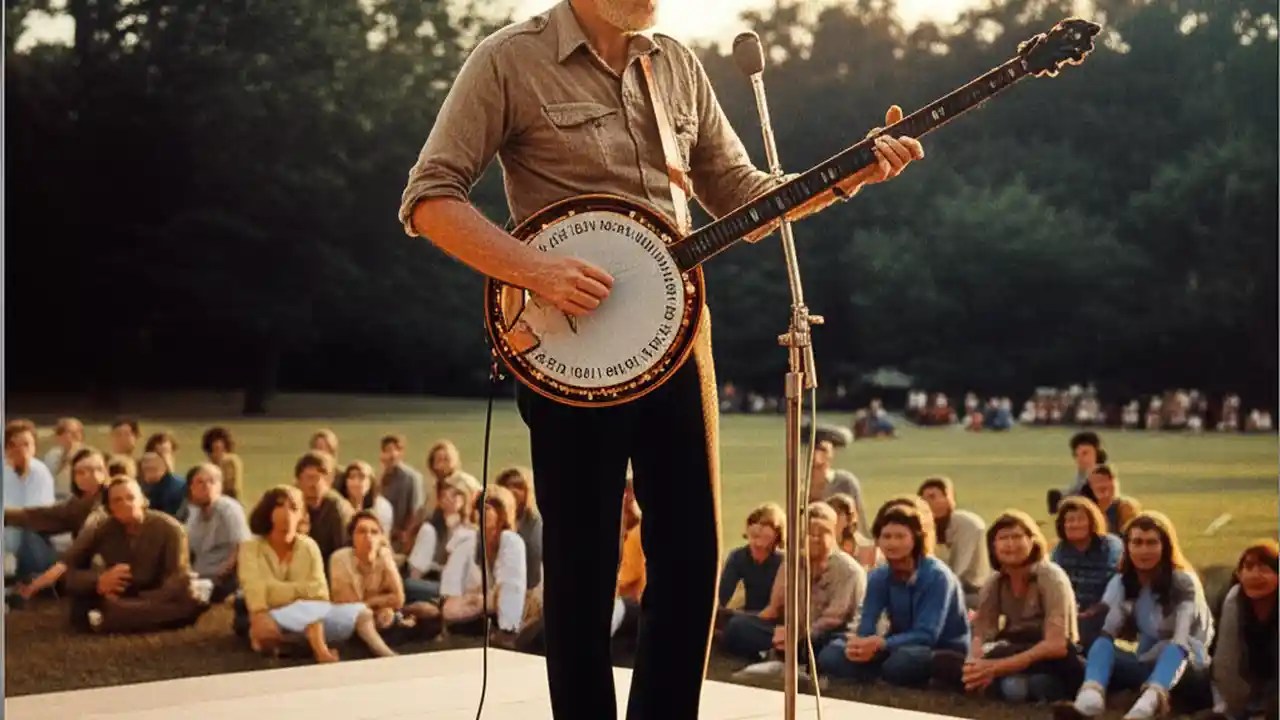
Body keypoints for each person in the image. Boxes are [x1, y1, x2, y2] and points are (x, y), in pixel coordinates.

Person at [396, 1, 923, 717]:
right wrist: (534, 271)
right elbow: (430, 198)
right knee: (583, 569)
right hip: (573, 356)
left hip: (679, 340)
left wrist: (853, 173)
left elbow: (743, 196)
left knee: (690, 561)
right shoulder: (509, 58)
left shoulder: (675, 63)